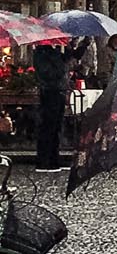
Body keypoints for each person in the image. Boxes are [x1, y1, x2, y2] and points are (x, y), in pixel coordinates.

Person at [32, 38, 70, 171]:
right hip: (50, 92)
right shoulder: (41, 54)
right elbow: (51, 73)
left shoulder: (53, 53)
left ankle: (54, 160)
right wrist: (59, 63)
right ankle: (44, 161)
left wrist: (81, 46)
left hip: (58, 91)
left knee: (56, 127)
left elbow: (66, 59)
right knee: (48, 127)